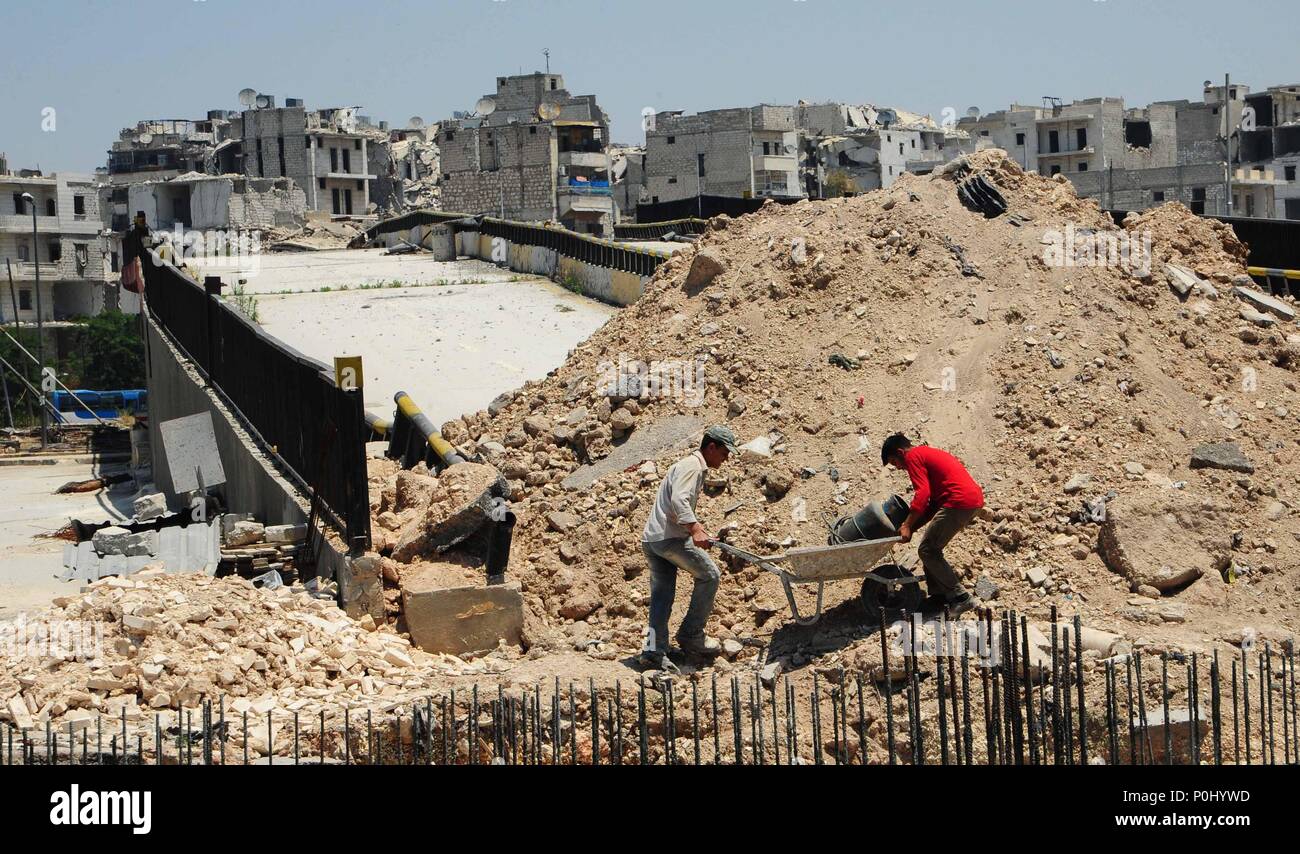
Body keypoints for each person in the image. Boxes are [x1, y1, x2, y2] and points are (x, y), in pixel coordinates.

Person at [639, 425, 738, 669]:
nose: (726, 459)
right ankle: (691, 634)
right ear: (711, 446)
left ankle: (653, 650)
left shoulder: (688, 466)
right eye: (724, 453)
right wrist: (694, 529)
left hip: (654, 539)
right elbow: (679, 500)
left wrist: (697, 530)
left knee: (661, 597)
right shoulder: (693, 466)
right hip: (669, 539)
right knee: (710, 576)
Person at [881, 432, 983, 616]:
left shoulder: (912, 457)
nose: (897, 468)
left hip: (959, 501)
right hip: (966, 500)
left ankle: (961, 598)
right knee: (931, 547)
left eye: (894, 462)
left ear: (900, 452)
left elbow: (922, 495)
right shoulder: (924, 454)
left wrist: (906, 524)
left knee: (927, 550)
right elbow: (932, 505)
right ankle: (939, 597)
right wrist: (910, 527)